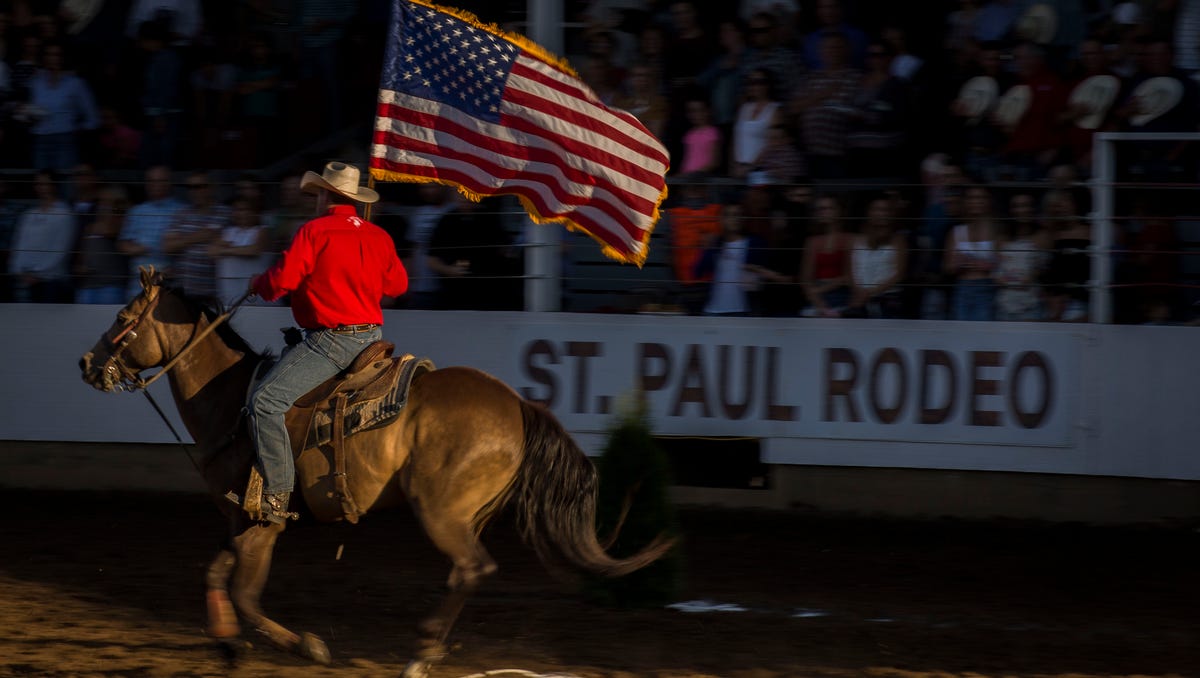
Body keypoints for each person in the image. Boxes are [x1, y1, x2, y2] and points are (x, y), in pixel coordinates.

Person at [239, 161, 409, 524]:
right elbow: (398, 286)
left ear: (325, 196)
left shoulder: (314, 231)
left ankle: (277, 493)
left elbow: (283, 280)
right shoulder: (378, 235)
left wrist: (258, 284)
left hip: (332, 341)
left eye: (316, 194)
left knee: (265, 402)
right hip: (371, 336)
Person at [7, 169, 76, 302]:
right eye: (38, 184)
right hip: (26, 280)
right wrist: (19, 269)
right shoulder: (29, 215)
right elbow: (19, 243)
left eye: (45, 184)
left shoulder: (65, 214)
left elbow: (61, 248)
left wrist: (38, 273)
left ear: (54, 185)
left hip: (51, 281)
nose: (42, 188)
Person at [74, 184, 131, 304]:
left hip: (110, 286)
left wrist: (110, 211)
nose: (102, 204)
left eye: (107, 201)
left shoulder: (120, 219)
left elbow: (112, 231)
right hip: (88, 286)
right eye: (101, 201)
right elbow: (82, 250)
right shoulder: (90, 223)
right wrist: (80, 265)